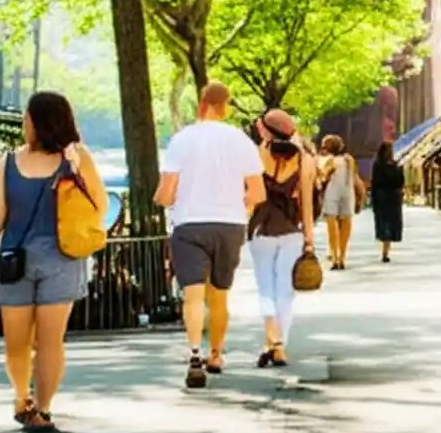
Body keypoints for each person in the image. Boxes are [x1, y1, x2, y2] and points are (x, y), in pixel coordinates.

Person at [0, 92, 107, 432]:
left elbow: (100, 206)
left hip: (61, 258)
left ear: (39, 121)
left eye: (27, 118)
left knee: (49, 341)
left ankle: (43, 408)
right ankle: (22, 396)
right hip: (15, 262)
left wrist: (77, 171)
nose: (23, 124)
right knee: (17, 342)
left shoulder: (77, 157)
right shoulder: (8, 162)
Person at [154, 82, 265, 389]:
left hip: (189, 225)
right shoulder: (241, 141)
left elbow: (166, 192)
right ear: (225, 106)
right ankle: (216, 354)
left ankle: (193, 353)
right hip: (229, 225)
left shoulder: (181, 140)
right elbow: (257, 191)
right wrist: (238, 208)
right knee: (219, 295)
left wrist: (164, 200)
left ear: (201, 104)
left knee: (192, 294)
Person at [248, 110, 316, 368]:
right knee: (284, 292)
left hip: (261, 230)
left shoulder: (255, 156)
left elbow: (250, 198)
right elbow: (307, 204)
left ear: (265, 130)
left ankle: (271, 339)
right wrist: (309, 239)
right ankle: (280, 346)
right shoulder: (304, 160)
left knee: (265, 287)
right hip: (292, 230)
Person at [317, 134, 361, 269]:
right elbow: (355, 179)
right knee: (346, 223)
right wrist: (361, 196)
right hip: (348, 192)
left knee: (332, 223)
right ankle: (342, 256)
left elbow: (322, 177)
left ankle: (335, 256)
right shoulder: (349, 160)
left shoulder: (329, 160)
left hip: (332, 192)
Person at [370, 141, 404, 263]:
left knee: (384, 225)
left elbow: (374, 183)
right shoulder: (396, 166)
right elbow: (400, 182)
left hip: (382, 198)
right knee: (389, 225)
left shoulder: (377, 166)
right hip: (392, 199)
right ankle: (385, 251)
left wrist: (373, 200)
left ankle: (385, 250)